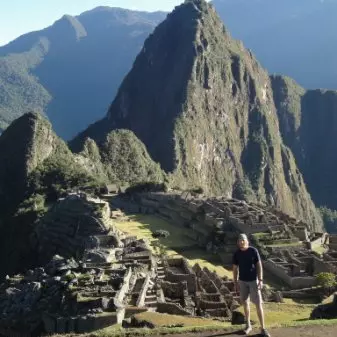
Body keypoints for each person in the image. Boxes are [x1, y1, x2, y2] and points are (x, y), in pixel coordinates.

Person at [232, 233, 270, 337]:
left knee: (258, 304)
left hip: (253, 281)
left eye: (243, 240)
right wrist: (235, 282)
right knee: (245, 303)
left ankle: (263, 328)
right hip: (242, 281)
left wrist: (260, 279)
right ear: (238, 242)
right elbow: (235, 269)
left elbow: (259, 265)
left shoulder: (253, 251)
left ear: (247, 241)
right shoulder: (237, 254)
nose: (241, 242)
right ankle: (248, 325)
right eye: (239, 240)